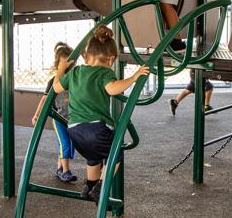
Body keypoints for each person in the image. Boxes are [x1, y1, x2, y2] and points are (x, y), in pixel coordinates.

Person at [54, 26, 151, 202]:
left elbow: (56, 88)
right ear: (111, 59)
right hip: (96, 128)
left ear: (85, 56)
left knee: (94, 157)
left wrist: (61, 69)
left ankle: (89, 187)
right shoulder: (105, 72)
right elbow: (113, 89)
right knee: (116, 153)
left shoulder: (75, 72)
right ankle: (101, 186)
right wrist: (134, 77)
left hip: (74, 130)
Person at [34, 42, 78, 183]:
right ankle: (65, 171)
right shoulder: (53, 81)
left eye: (69, 63)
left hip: (72, 118)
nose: (66, 67)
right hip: (59, 118)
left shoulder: (75, 79)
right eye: (63, 64)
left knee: (69, 145)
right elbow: (44, 100)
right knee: (64, 143)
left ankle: (60, 168)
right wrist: (36, 115)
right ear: (57, 64)